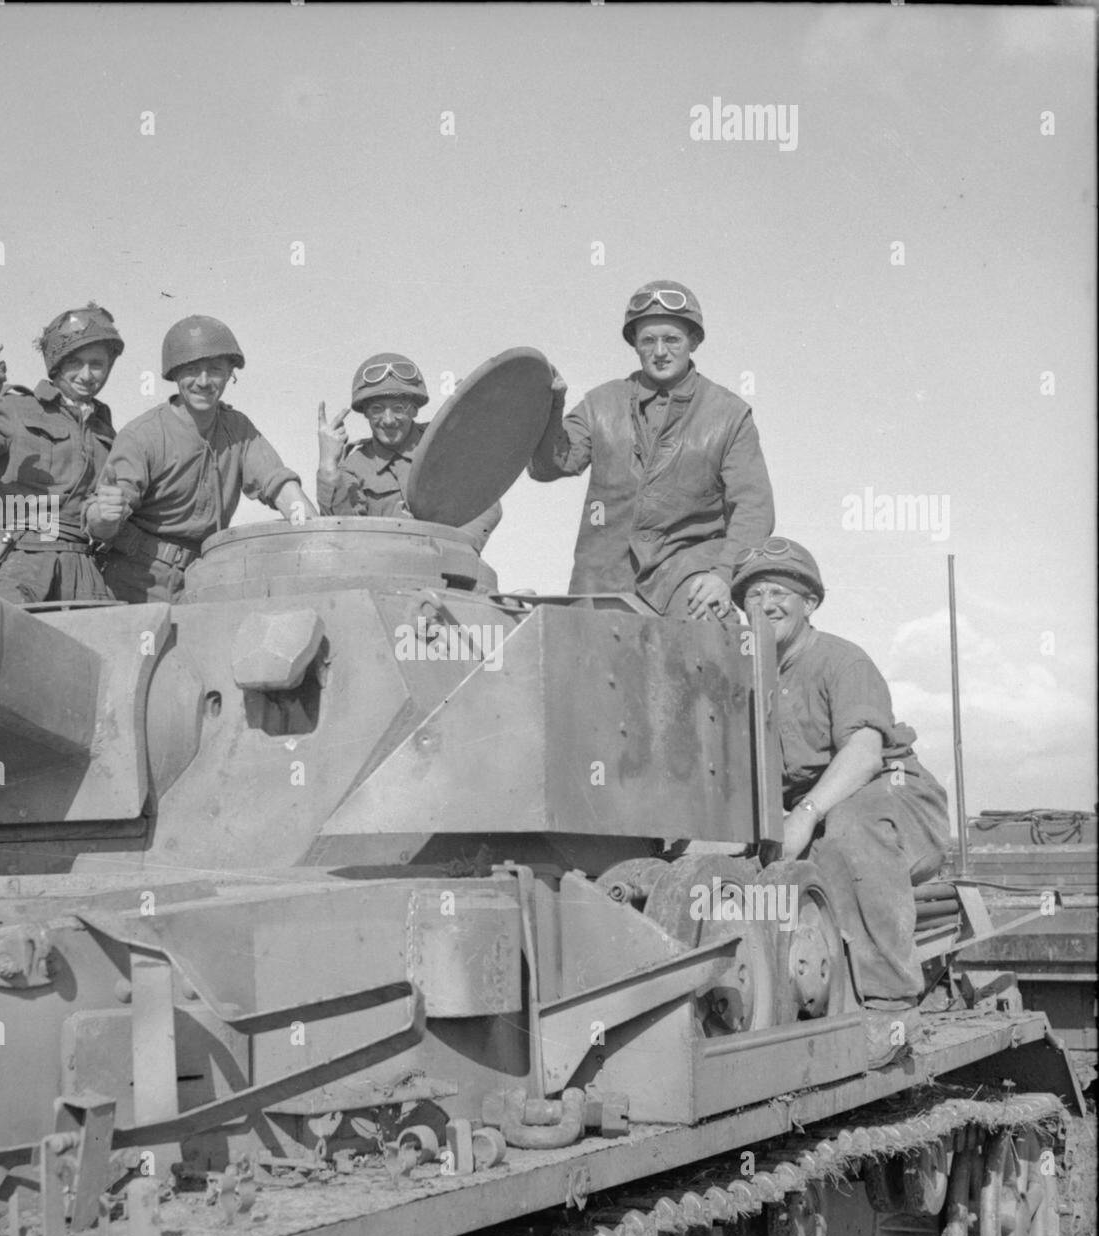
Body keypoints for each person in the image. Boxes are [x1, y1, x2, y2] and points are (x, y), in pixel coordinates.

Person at [731, 537, 951, 1066]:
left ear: (810, 603)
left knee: (849, 830)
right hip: (809, 803)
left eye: (781, 592)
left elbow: (865, 752)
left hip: (892, 796)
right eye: (755, 595)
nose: (767, 603)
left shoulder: (842, 661)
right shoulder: (745, 677)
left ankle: (891, 1006)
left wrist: (805, 816)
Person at [529, 280, 774, 620]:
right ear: (635, 346)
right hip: (603, 582)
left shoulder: (730, 415)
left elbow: (753, 509)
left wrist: (723, 574)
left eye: (672, 339)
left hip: (685, 578)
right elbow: (548, 467)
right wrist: (550, 408)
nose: (660, 351)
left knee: (710, 637)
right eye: (648, 340)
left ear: (694, 342)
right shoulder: (601, 403)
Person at [86, 315, 317, 603]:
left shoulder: (238, 428)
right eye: (192, 370)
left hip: (206, 576)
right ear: (175, 374)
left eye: (215, 370)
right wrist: (105, 515)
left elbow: (278, 484)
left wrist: (319, 537)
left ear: (231, 372)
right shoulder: (143, 434)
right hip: (137, 579)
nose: (204, 381)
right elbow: (101, 521)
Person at [0, 304, 124, 604]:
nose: (87, 375)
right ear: (57, 364)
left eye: (97, 364)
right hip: (20, 559)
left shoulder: (109, 435)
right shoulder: (15, 409)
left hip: (84, 569)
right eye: (75, 362)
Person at [316, 352, 502, 550]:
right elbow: (344, 534)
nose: (388, 420)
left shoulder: (444, 442)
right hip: (386, 572)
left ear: (414, 410)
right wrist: (328, 467)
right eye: (377, 409)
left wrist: (457, 549)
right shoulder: (354, 467)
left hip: (448, 572)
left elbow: (486, 502)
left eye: (399, 408)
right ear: (366, 413)